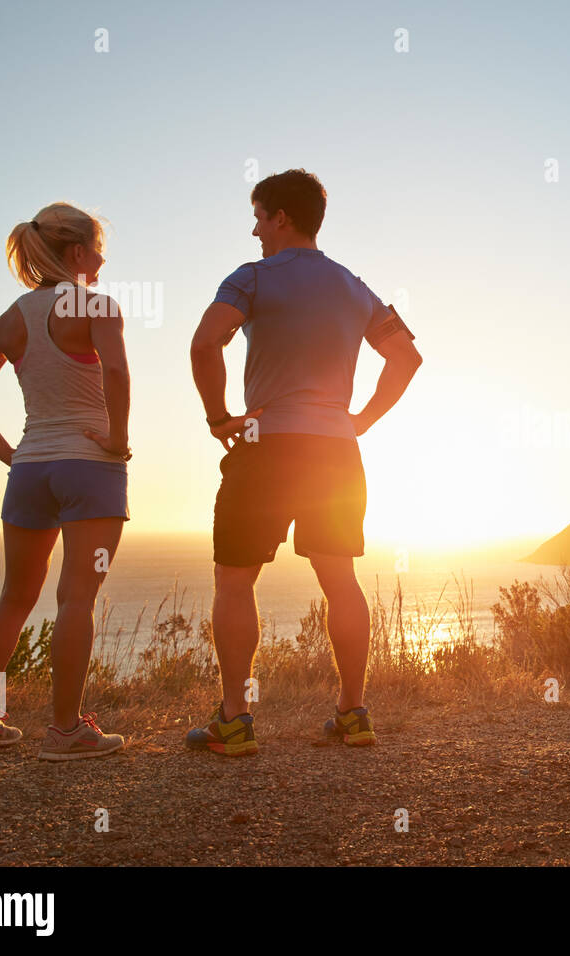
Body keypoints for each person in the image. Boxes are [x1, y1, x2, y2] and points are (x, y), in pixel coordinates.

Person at [188, 168, 422, 756]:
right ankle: (353, 714)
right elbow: (407, 357)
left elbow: (203, 342)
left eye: (259, 217)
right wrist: (360, 420)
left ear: (281, 218)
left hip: (267, 445)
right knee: (340, 580)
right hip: (336, 451)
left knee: (236, 580)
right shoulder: (354, 287)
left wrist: (219, 418)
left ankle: (235, 721)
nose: (254, 230)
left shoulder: (251, 278)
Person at [0, 202, 131, 761]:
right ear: (75, 252)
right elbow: (118, 372)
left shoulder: (14, 316)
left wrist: (10, 452)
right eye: (97, 247)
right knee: (77, 597)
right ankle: (66, 730)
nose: (102, 259)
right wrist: (118, 440)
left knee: (13, 598)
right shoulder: (96, 305)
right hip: (90, 468)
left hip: (30, 471)